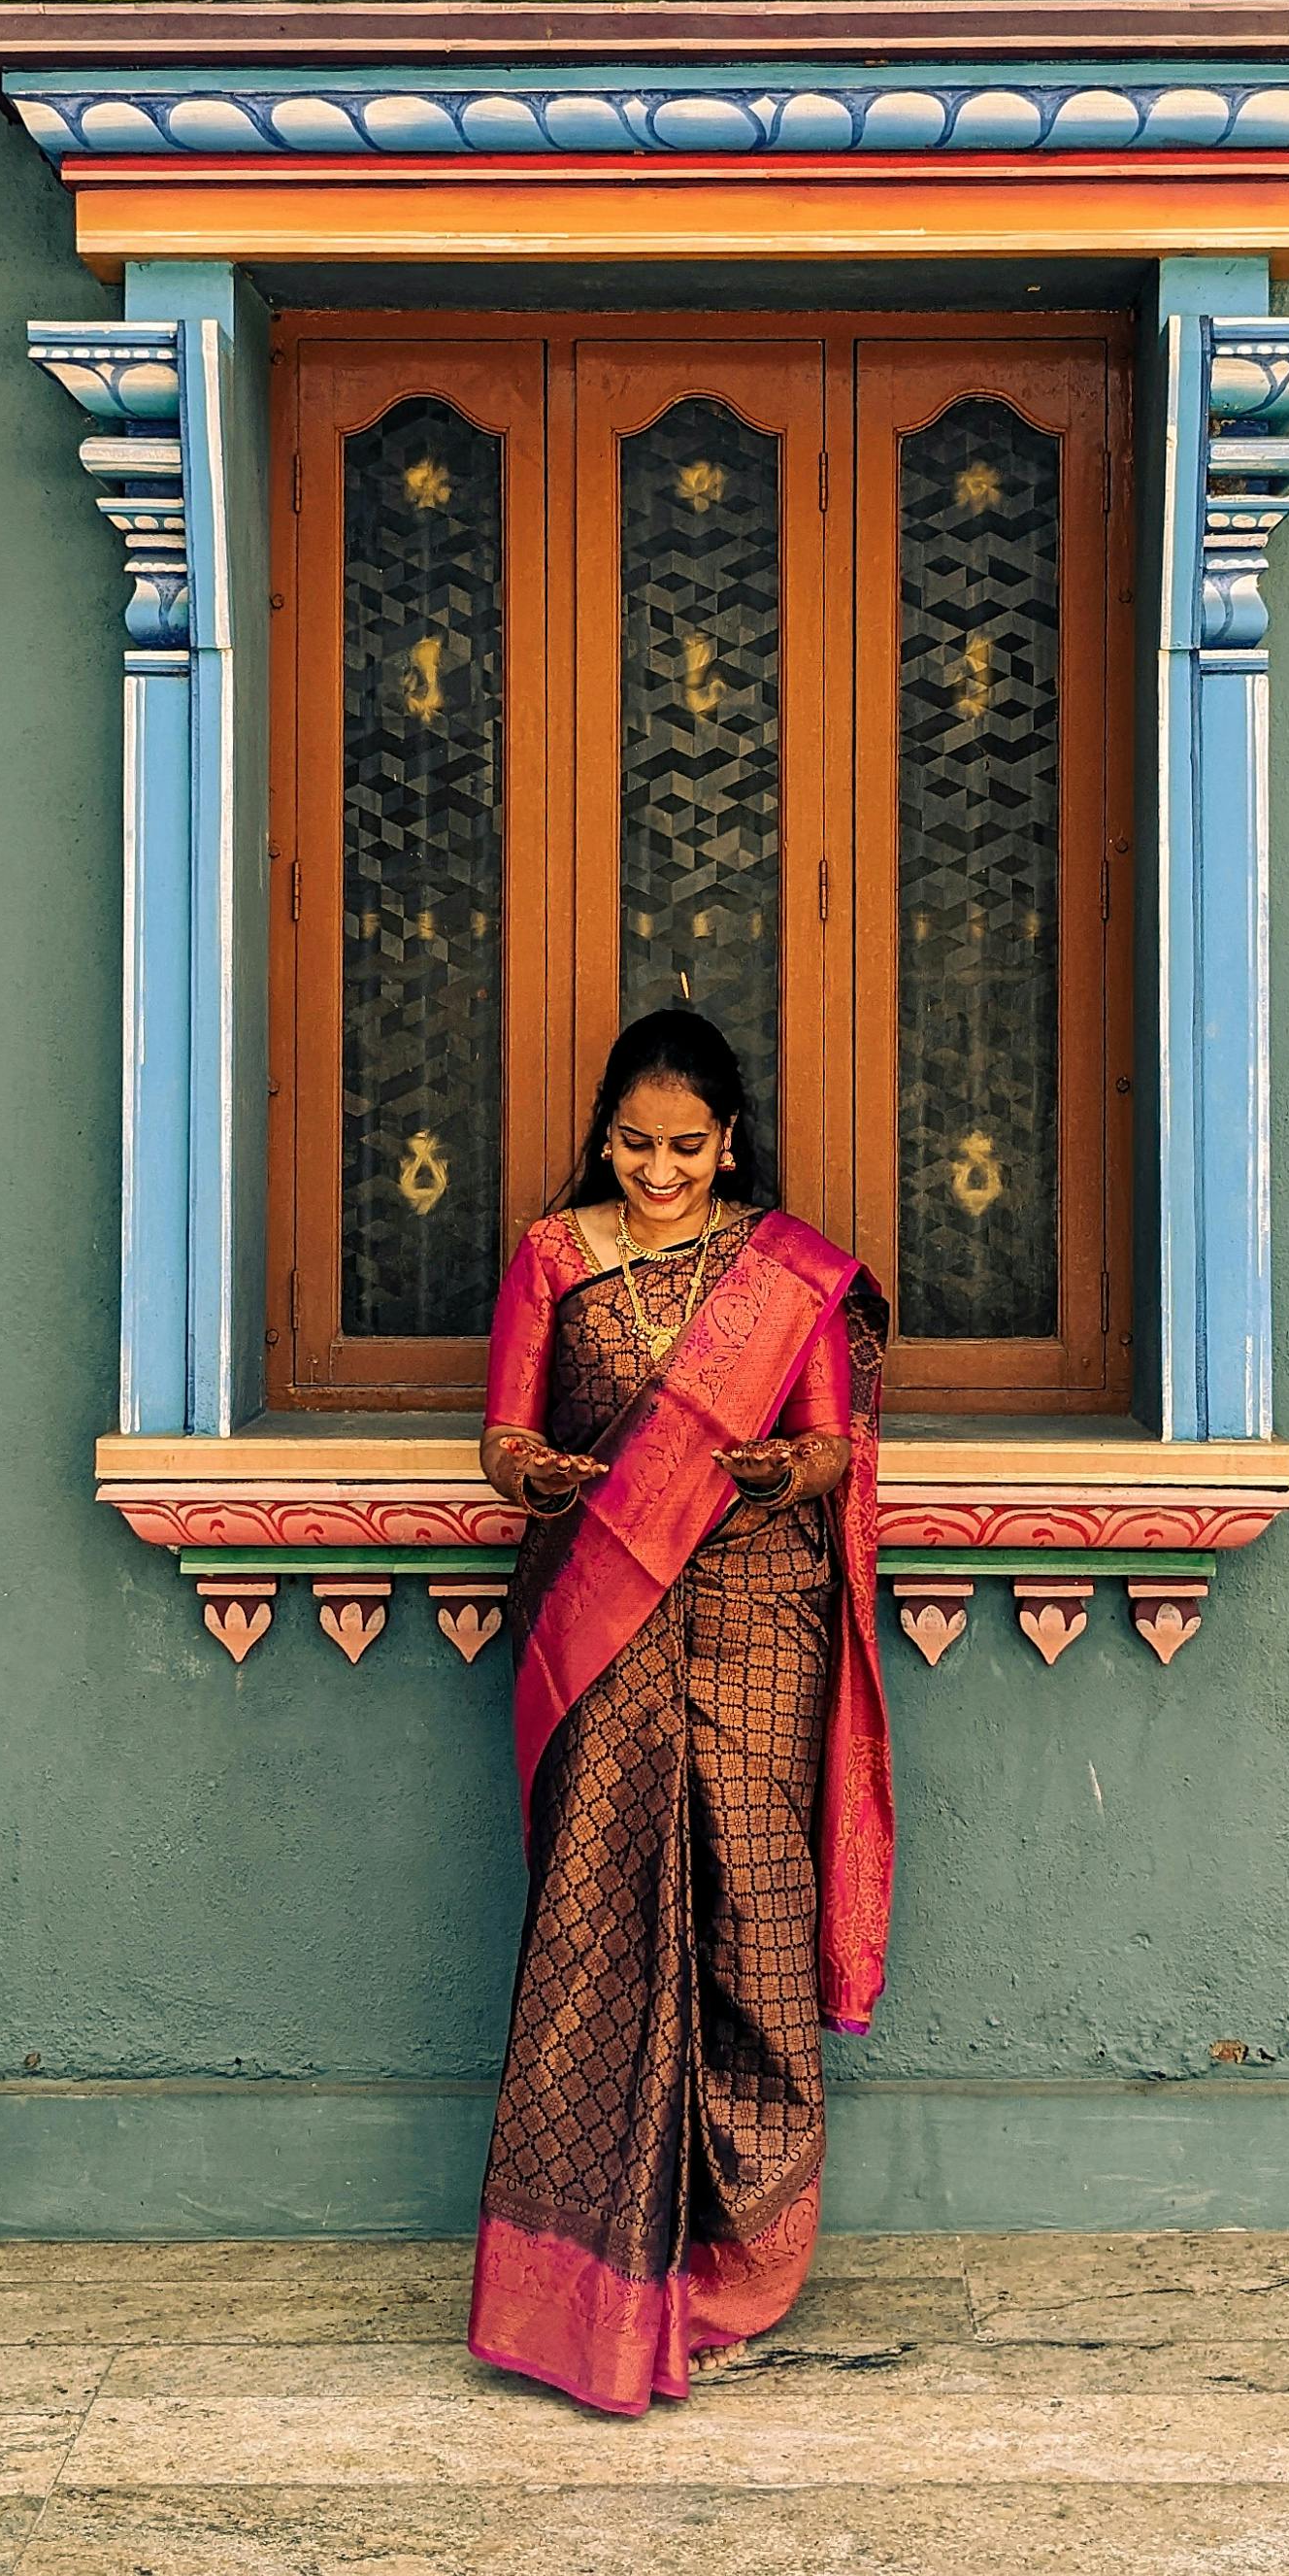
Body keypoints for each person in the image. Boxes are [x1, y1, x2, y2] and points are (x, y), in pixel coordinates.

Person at [466, 1007, 893, 2416]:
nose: (660, 1171)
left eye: (688, 1148)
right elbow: (505, 1431)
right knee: (598, 1920)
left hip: (760, 1613)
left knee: (753, 1913)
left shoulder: (785, 1273)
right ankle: (589, 2277)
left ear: (729, 1141)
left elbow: (834, 1446)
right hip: (601, 1602)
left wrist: (779, 1469)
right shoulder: (552, 1258)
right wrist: (534, 1477)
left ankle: (741, 2263)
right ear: (606, 1134)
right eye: (637, 1145)